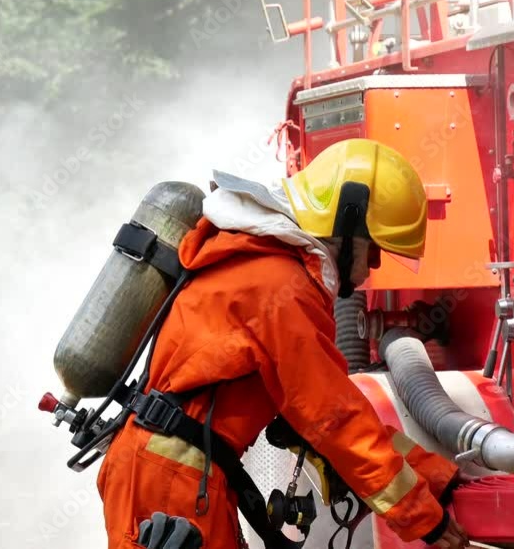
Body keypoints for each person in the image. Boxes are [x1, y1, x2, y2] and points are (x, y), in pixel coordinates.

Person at [97, 139, 470, 549]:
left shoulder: (261, 264)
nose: (374, 267)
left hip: (168, 471)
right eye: (375, 249)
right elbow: (334, 420)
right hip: (172, 485)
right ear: (345, 225)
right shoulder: (282, 287)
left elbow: (334, 411)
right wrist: (424, 518)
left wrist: (438, 480)